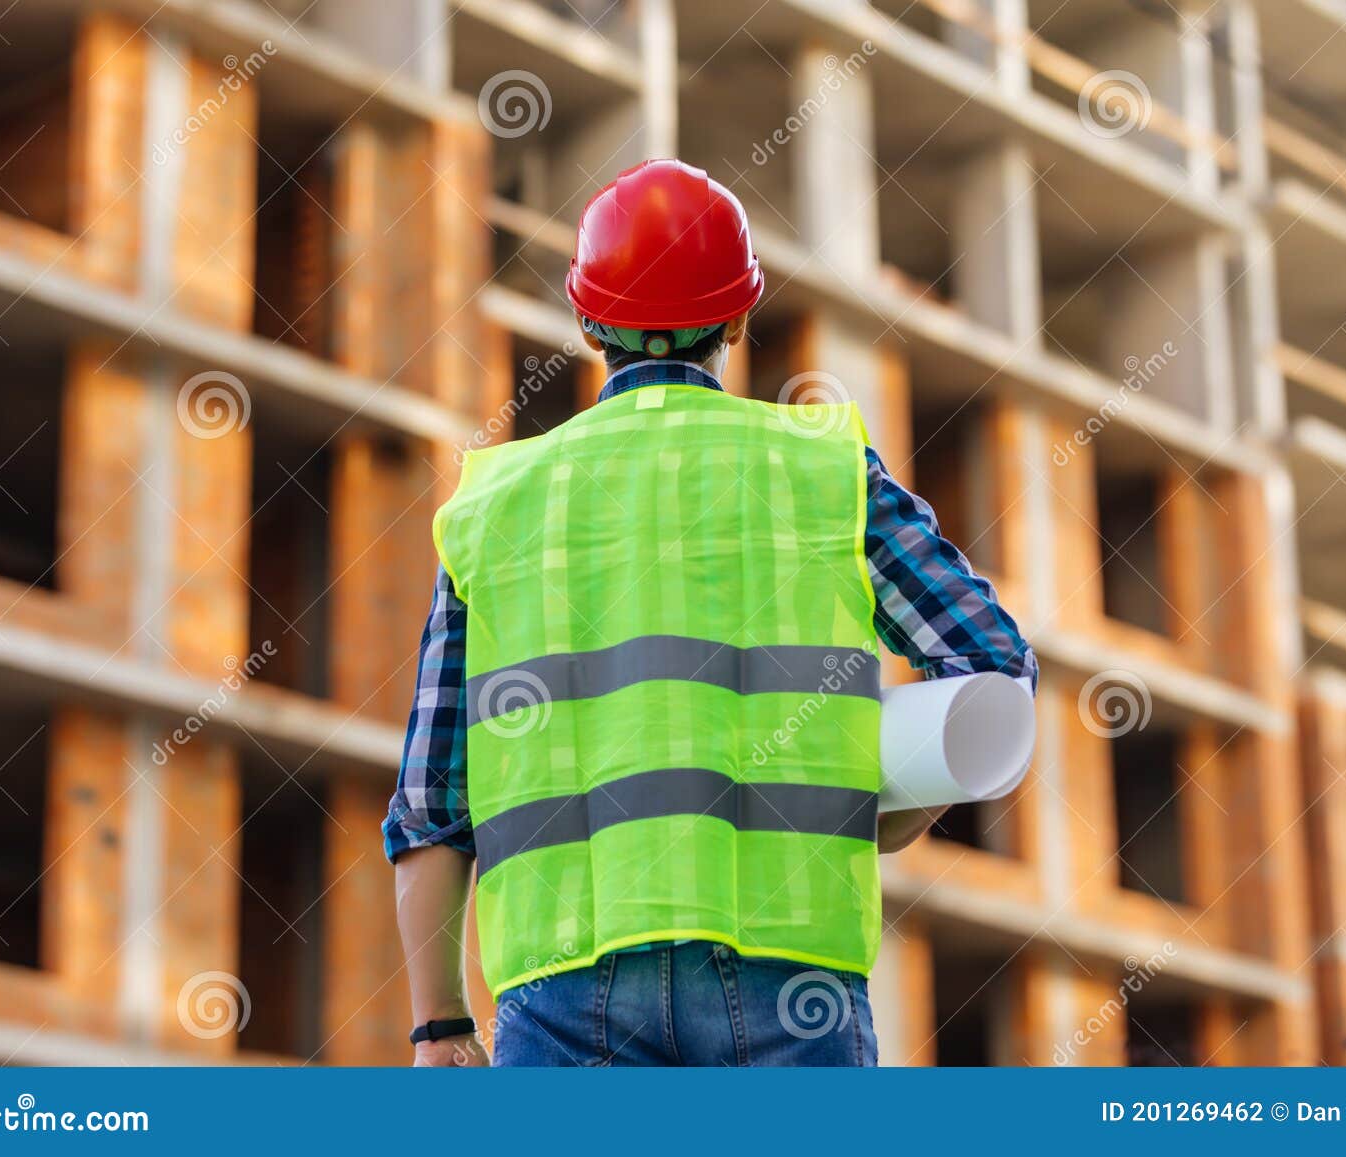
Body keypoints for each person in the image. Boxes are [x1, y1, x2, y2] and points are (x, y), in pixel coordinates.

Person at [384, 159, 1036, 1067]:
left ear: (586, 322)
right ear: (739, 317)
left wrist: (440, 1022)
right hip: (791, 967)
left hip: (562, 981)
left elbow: (428, 804)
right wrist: (892, 808)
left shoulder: (493, 505)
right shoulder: (824, 472)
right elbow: (992, 670)